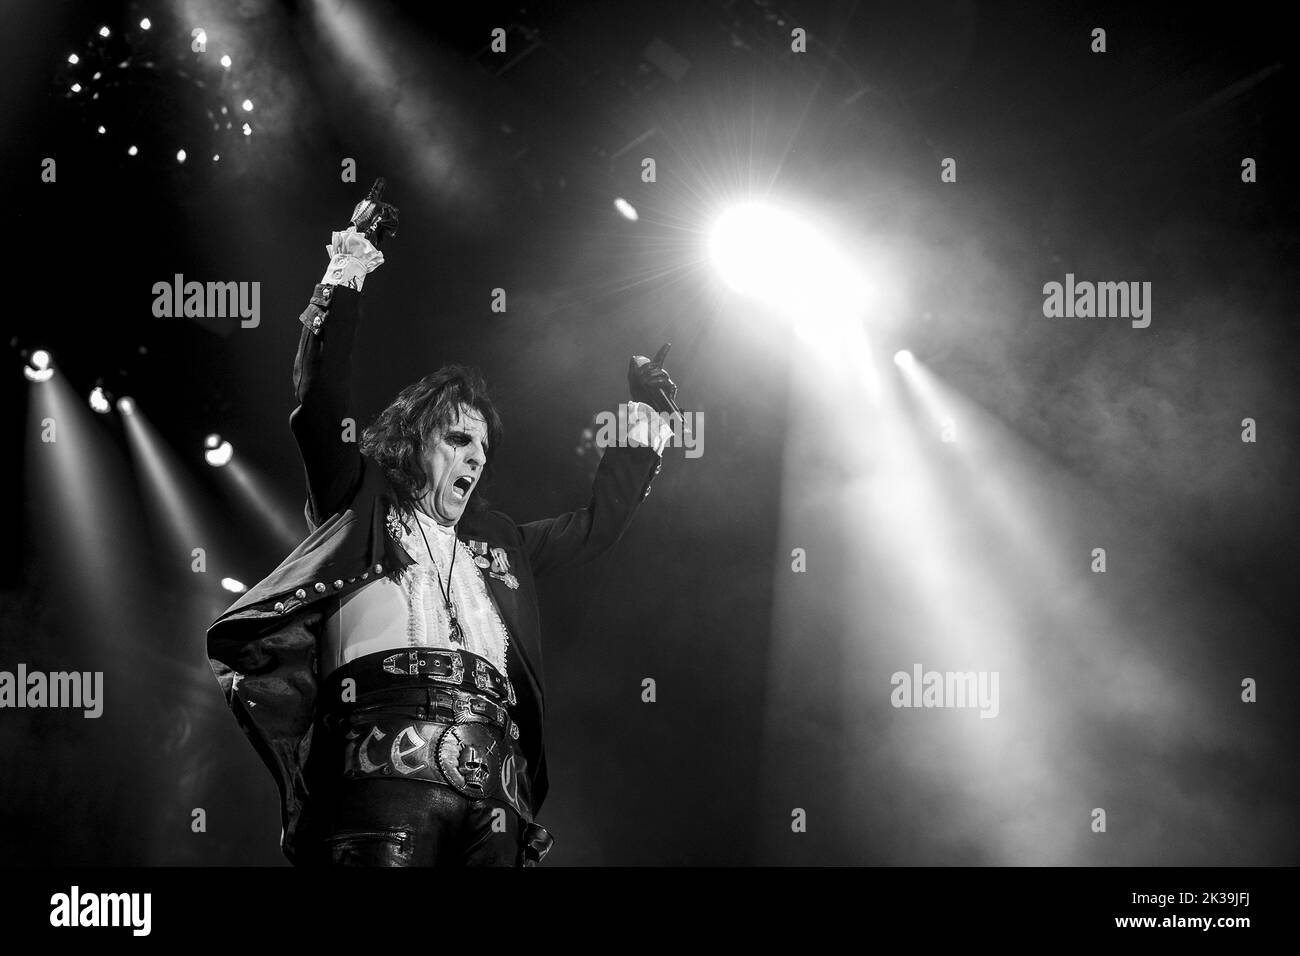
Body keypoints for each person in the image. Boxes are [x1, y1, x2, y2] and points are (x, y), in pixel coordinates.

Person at [206, 184, 678, 865]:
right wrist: (352, 263)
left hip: (495, 776)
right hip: (379, 764)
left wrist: (647, 420)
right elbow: (320, 399)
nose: (475, 460)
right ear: (411, 440)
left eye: (482, 450)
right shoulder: (359, 497)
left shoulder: (498, 541)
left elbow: (597, 528)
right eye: (458, 440)